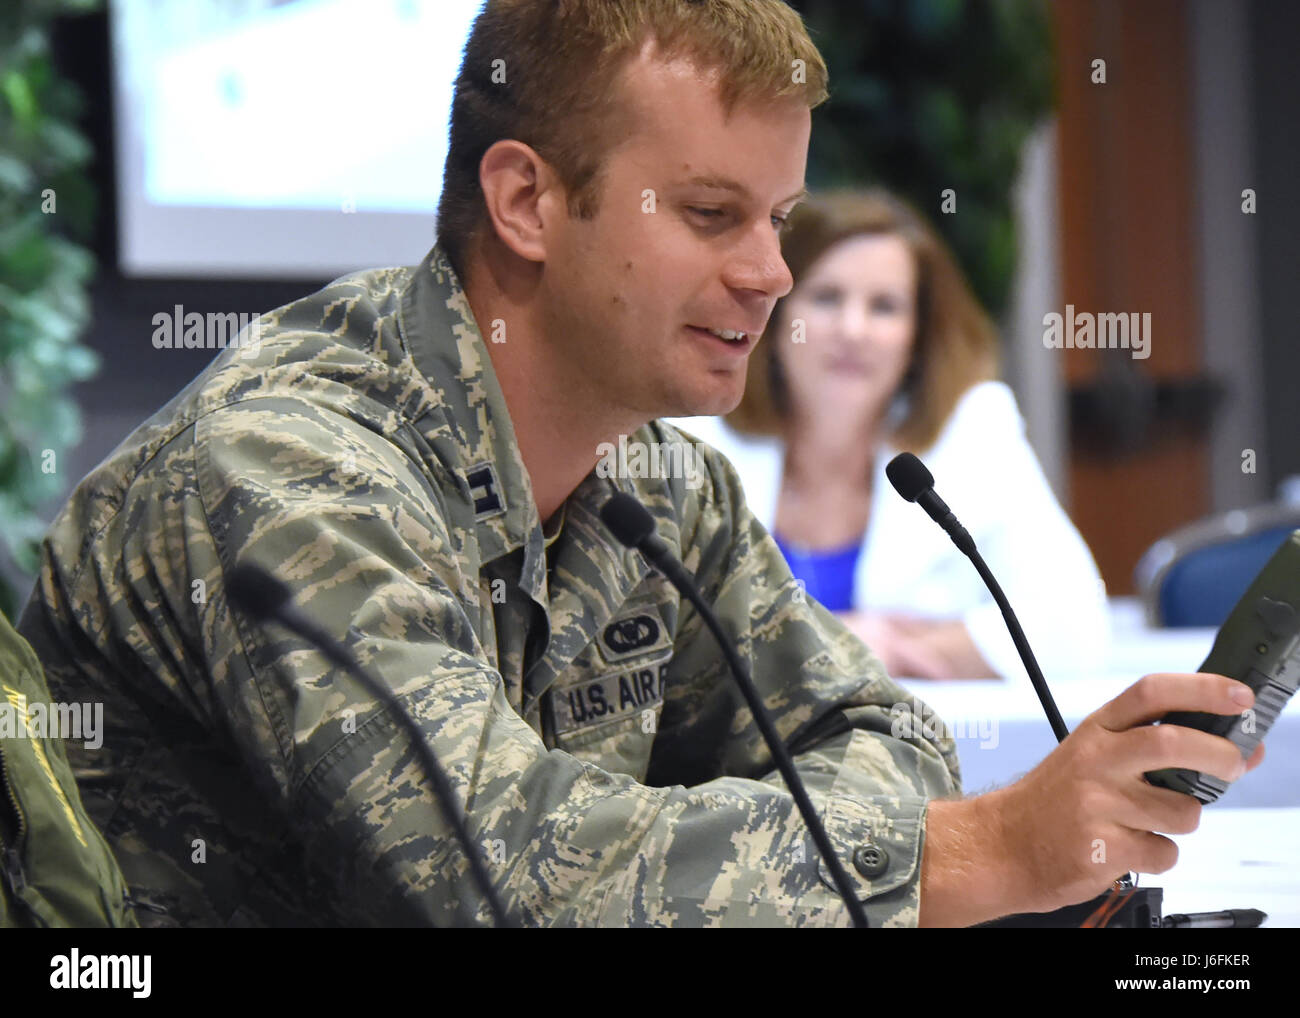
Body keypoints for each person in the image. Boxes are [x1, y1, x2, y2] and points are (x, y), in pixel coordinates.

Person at [19, 0, 1262, 928]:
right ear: (526, 203)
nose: (773, 275)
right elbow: (483, 874)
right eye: (713, 216)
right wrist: (971, 852)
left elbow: (873, 728)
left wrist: (890, 840)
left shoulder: (660, 480)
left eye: (777, 221)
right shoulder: (290, 467)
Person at [671, 189, 1109, 681]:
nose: (853, 329)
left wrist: (893, 652)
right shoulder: (691, 436)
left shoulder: (972, 433)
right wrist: (844, 639)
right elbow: (657, 640)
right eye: (827, 298)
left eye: (884, 307)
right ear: (774, 318)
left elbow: (1076, 626)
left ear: (918, 337)